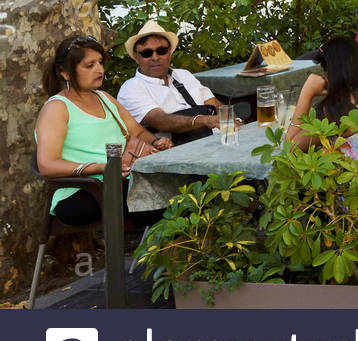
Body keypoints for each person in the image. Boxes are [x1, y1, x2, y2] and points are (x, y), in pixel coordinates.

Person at [35, 35, 172, 225]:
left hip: (120, 181)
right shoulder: (57, 108)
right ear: (65, 73)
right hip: (80, 192)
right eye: (89, 65)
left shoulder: (104, 98)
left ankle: (163, 250)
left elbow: (137, 132)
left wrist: (156, 142)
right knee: (171, 197)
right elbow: (47, 165)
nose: (99, 69)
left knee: (179, 186)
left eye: (100, 62)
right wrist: (101, 168)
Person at [116, 19, 234, 141]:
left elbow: (213, 103)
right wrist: (205, 120)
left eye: (161, 51)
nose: (155, 57)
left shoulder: (183, 75)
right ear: (136, 57)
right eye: (147, 53)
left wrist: (231, 119)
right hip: (173, 151)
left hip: (214, 139)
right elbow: (159, 120)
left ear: (170, 53)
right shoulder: (131, 88)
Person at [286, 37, 358, 150]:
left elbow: (290, 148)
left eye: (323, 68)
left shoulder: (339, 108)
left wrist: (306, 93)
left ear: (331, 71)